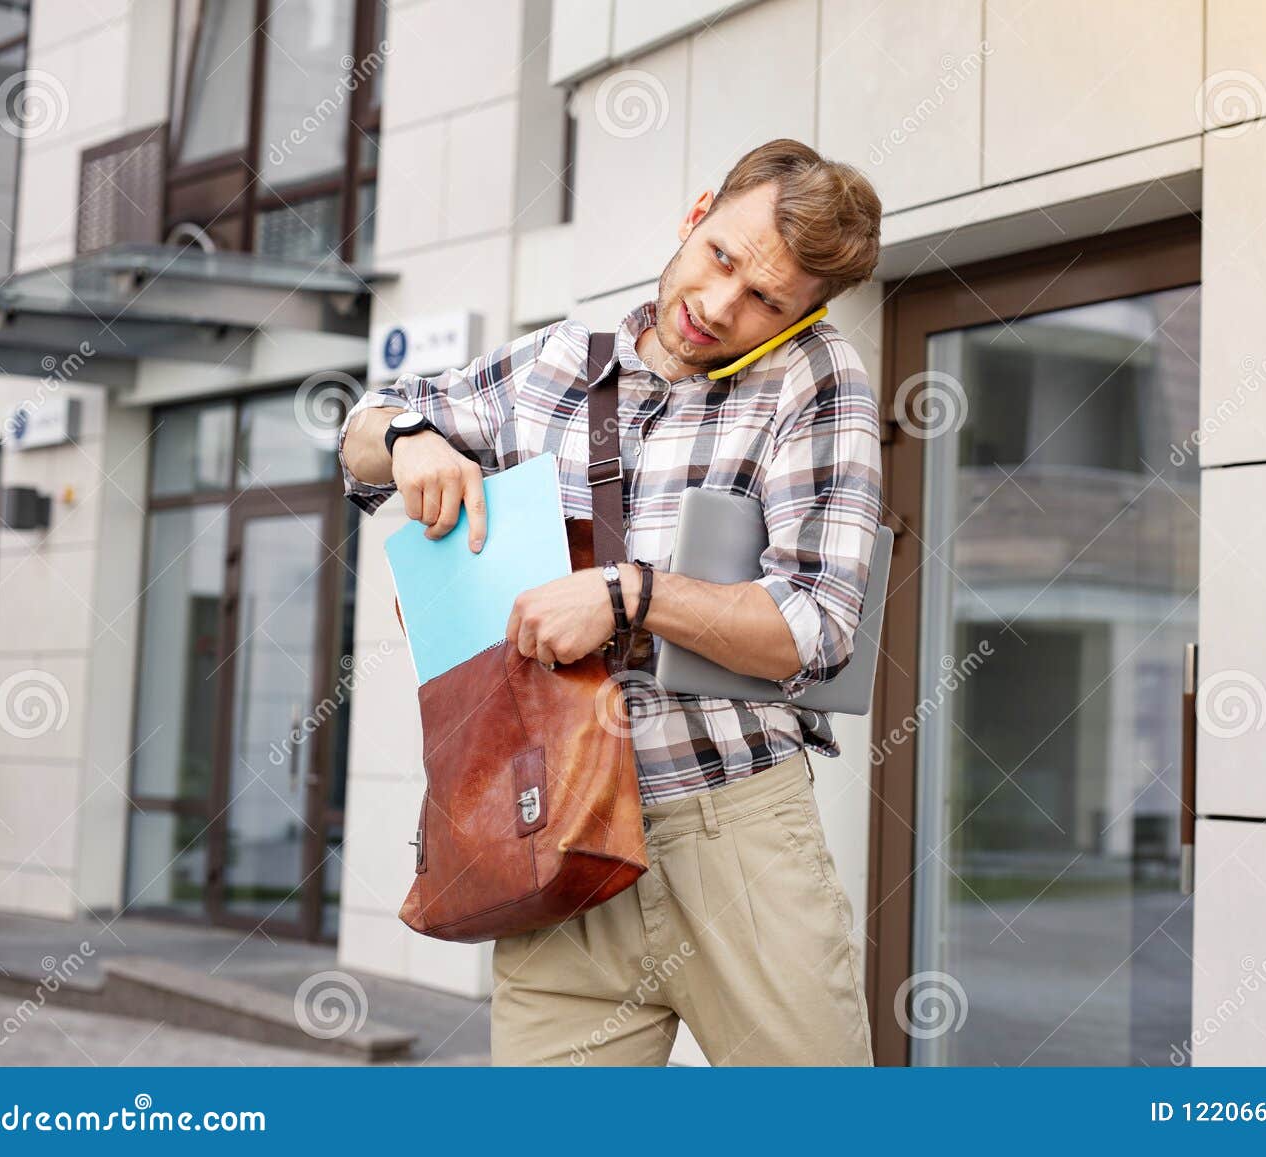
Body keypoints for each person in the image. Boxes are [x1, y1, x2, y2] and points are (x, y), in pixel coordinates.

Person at [337, 138, 884, 1066]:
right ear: (697, 212)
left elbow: (820, 631)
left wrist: (628, 595)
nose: (718, 307)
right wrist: (407, 436)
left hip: (735, 836)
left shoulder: (816, 383)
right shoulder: (554, 366)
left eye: (768, 302)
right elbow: (357, 431)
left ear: (805, 316)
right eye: (721, 259)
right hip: (557, 836)